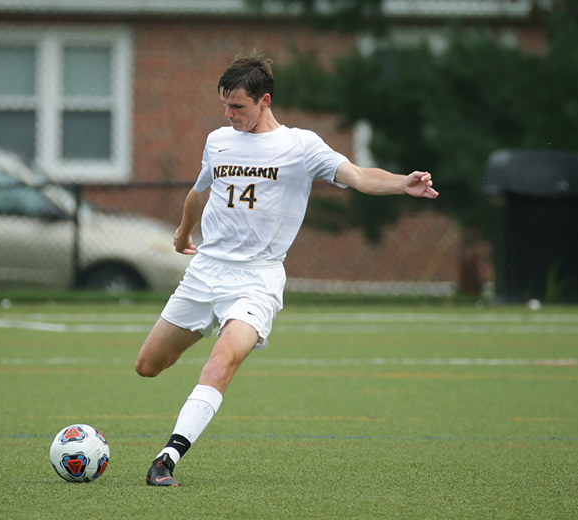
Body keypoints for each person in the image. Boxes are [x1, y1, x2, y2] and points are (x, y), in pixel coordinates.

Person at [135, 53, 439, 486]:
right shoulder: (218, 140)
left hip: (257, 280)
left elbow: (356, 175)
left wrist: (400, 183)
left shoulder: (300, 146)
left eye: (238, 107)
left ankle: (167, 459)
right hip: (205, 273)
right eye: (225, 105)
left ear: (265, 101)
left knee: (220, 365)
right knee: (147, 365)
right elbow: (199, 193)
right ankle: (207, 323)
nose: (229, 114)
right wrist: (184, 235)